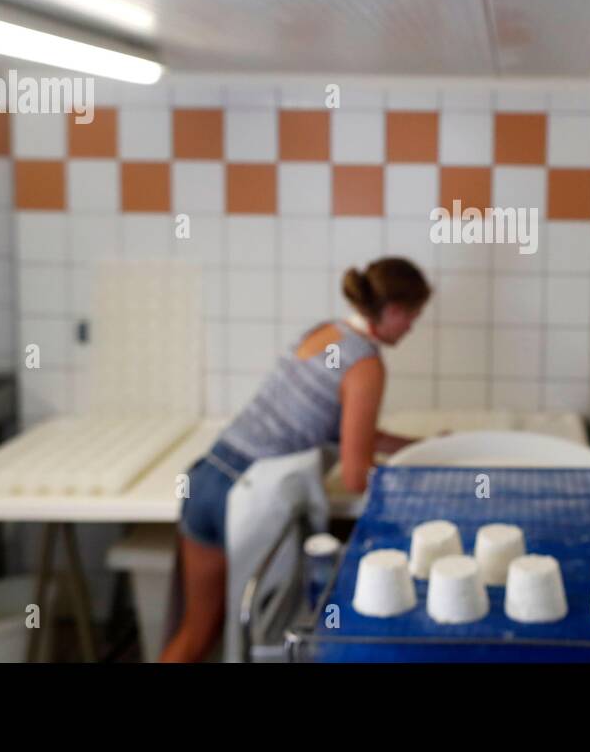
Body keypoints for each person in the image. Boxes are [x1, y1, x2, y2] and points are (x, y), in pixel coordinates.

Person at [159, 257, 432, 662]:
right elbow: (357, 476)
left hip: (208, 479)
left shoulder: (325, 333)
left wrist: (417, 446)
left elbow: (347, 430)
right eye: (411, 317)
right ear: (392, 311)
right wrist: (416, 489)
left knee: (198, 632)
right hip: (248, 499)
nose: (411, 328)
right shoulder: (366, 365)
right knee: (262, 636)